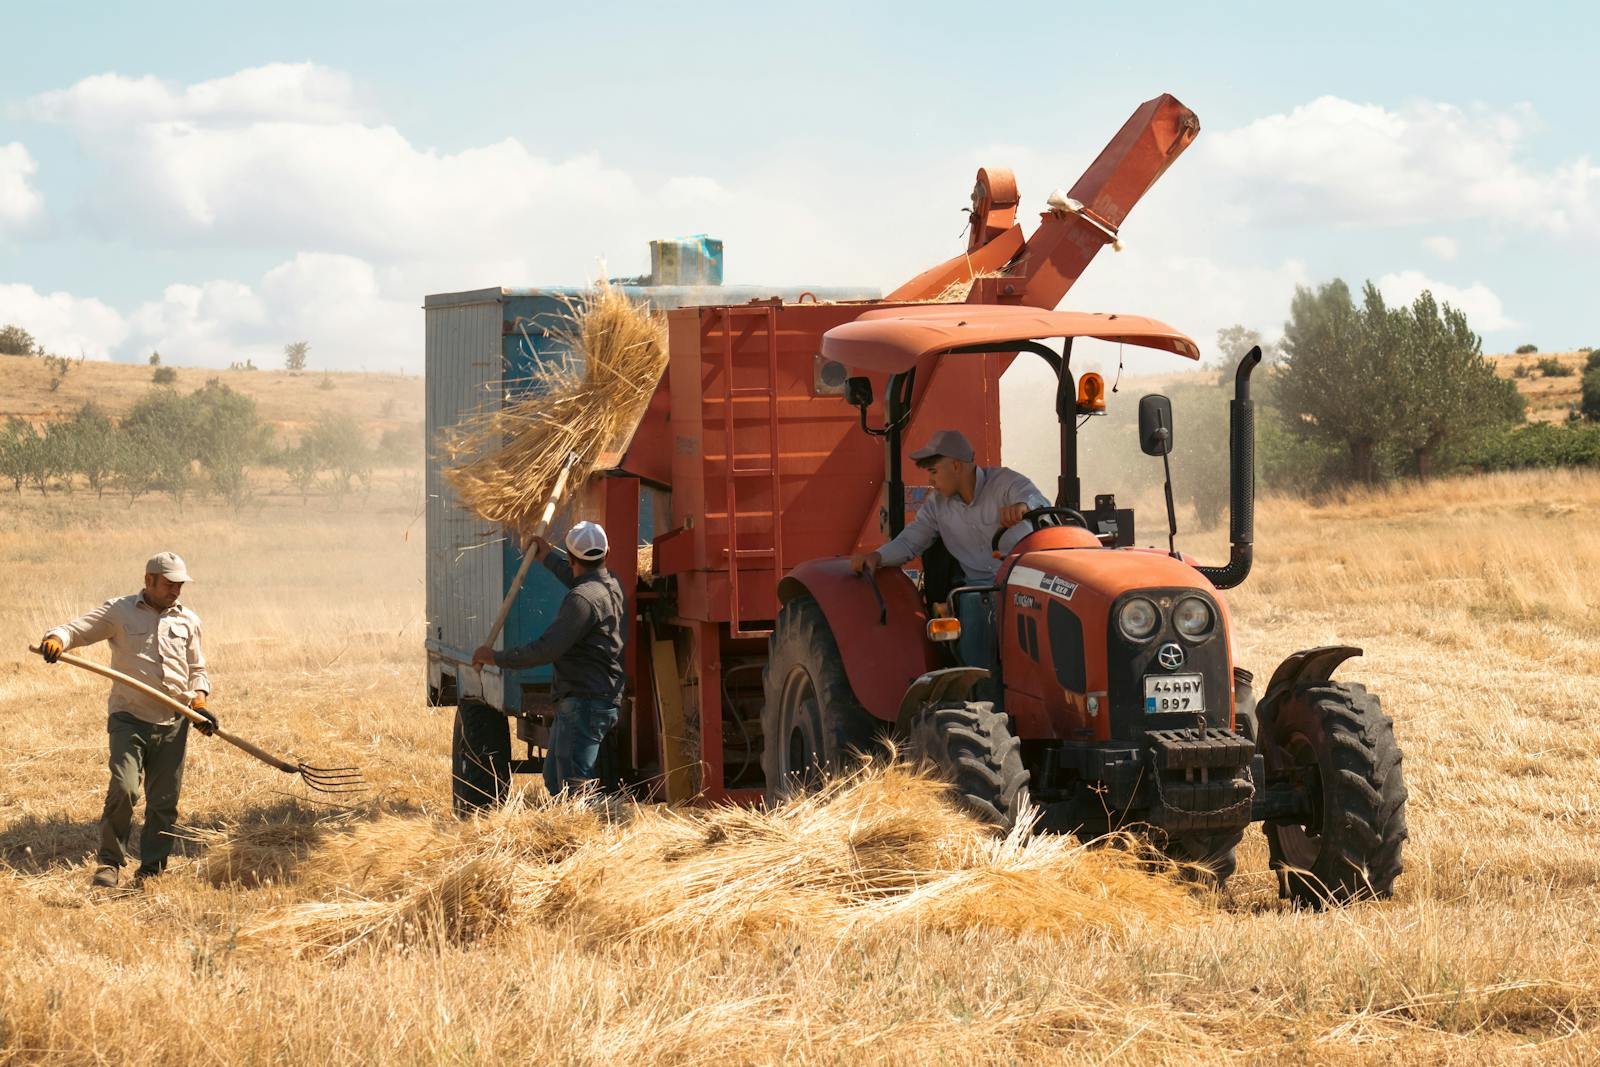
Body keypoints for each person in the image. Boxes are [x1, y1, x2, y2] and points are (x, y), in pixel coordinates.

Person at [38, 552, 217, 889]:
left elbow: (197, 668)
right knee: (124, 788)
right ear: (148, 580)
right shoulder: (119, 611)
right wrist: (57, 640)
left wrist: (199, 702)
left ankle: (152, 868)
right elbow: (77, 630)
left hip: (173, 721)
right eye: (169, 584)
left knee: (164, 801)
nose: (176, 590)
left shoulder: (188, 620)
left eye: (180, 584)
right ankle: (109, 863)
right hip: (129, 718)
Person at [471, 521, 625, 797]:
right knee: (556, 778)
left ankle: (591, 834)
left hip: (585, 701)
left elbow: (546, 649)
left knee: (573, 786)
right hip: (592, 697)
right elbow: (579, 579)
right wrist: (546, 556)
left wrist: (496, 657)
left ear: (570, 557)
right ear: (607, 552)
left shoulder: (580, 601)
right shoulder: (610, 585)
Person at [850, 428, 1050, 584]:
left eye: (934, 472)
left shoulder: (1005, 482)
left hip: (1026, 584)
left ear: (956, 466)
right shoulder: (935, 505)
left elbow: (1037, 502)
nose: (931, 481)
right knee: (972, 619)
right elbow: (910, 541)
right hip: (978, 592)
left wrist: (1023, 507)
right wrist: (878, 556)